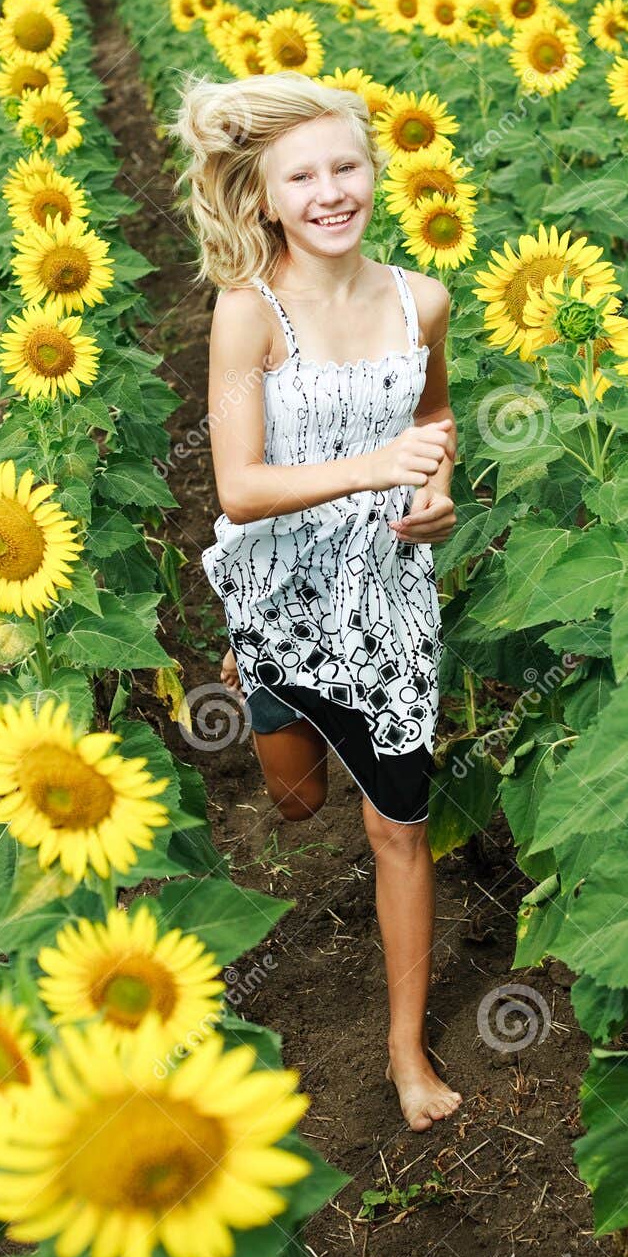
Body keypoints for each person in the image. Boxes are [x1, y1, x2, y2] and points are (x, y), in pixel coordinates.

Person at [171, 70, 462, 1131]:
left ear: (374, 173)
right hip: (277, 591)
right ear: (263, 196)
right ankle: (255, 677)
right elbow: (238, 487)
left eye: (347, 166)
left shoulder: (418, 300)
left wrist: (427, 495)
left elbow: (434, 422)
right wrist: (372, 463)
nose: (332, 190)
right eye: (305, 176)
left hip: (385, 601)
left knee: (398, 826)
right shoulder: (247, 316)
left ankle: (403, 1050)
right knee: (294, 805)